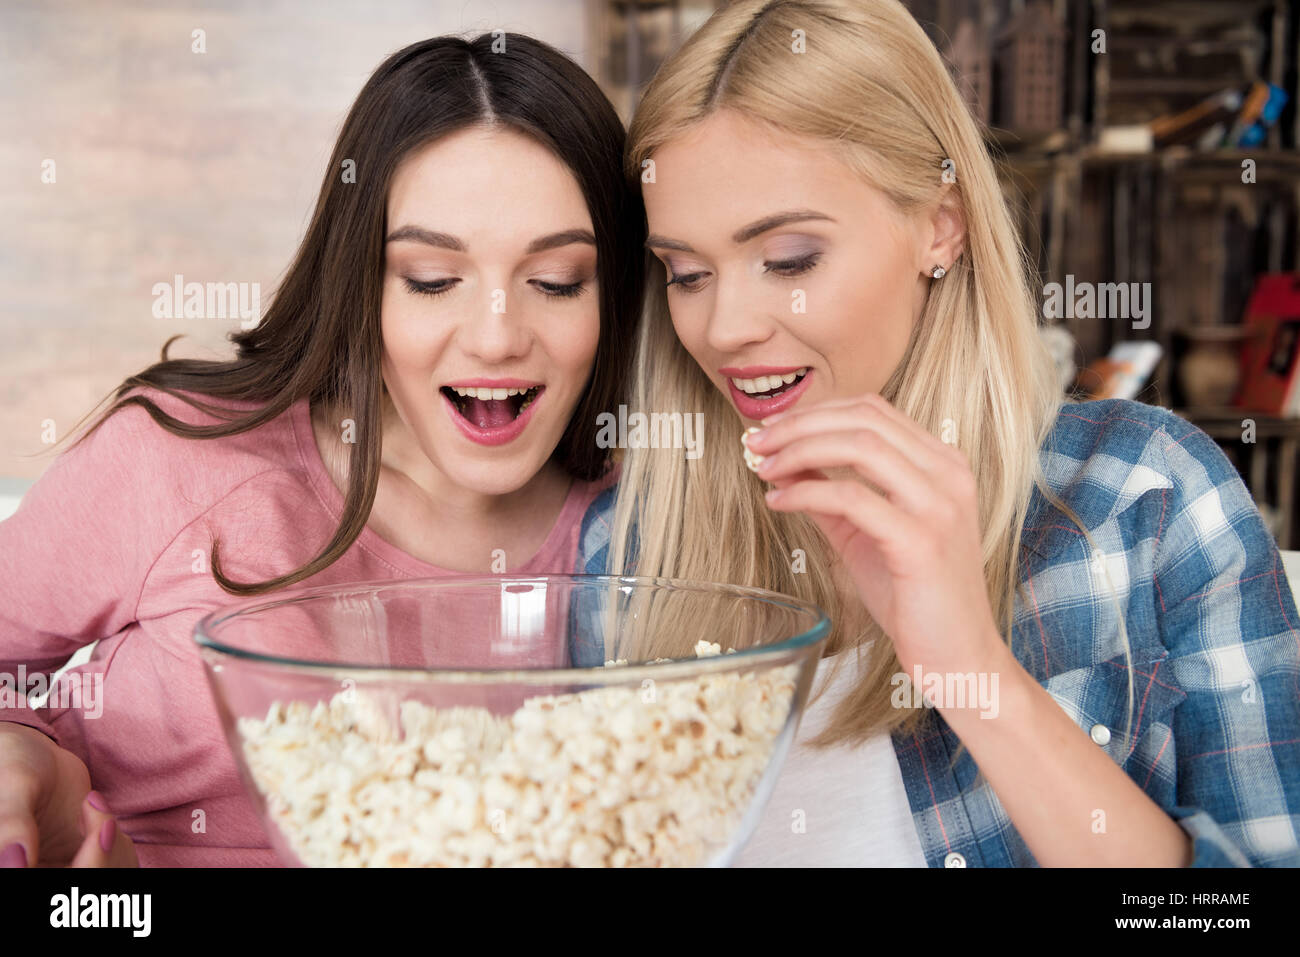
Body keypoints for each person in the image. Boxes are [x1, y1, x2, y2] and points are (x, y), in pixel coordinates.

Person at [580, 0, 1300, 867]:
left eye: (791, 258)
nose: (724, 325)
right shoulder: (623, 555)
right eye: (686, 273)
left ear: (939, 226)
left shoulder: (1145, 502)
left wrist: (970, 665)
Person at [0, 33, 645, 867]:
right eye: (431, 279)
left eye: (556, 280)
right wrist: (18, 748)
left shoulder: (633, 544)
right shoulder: (180, 456)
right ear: (359, 282)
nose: (496, 337)